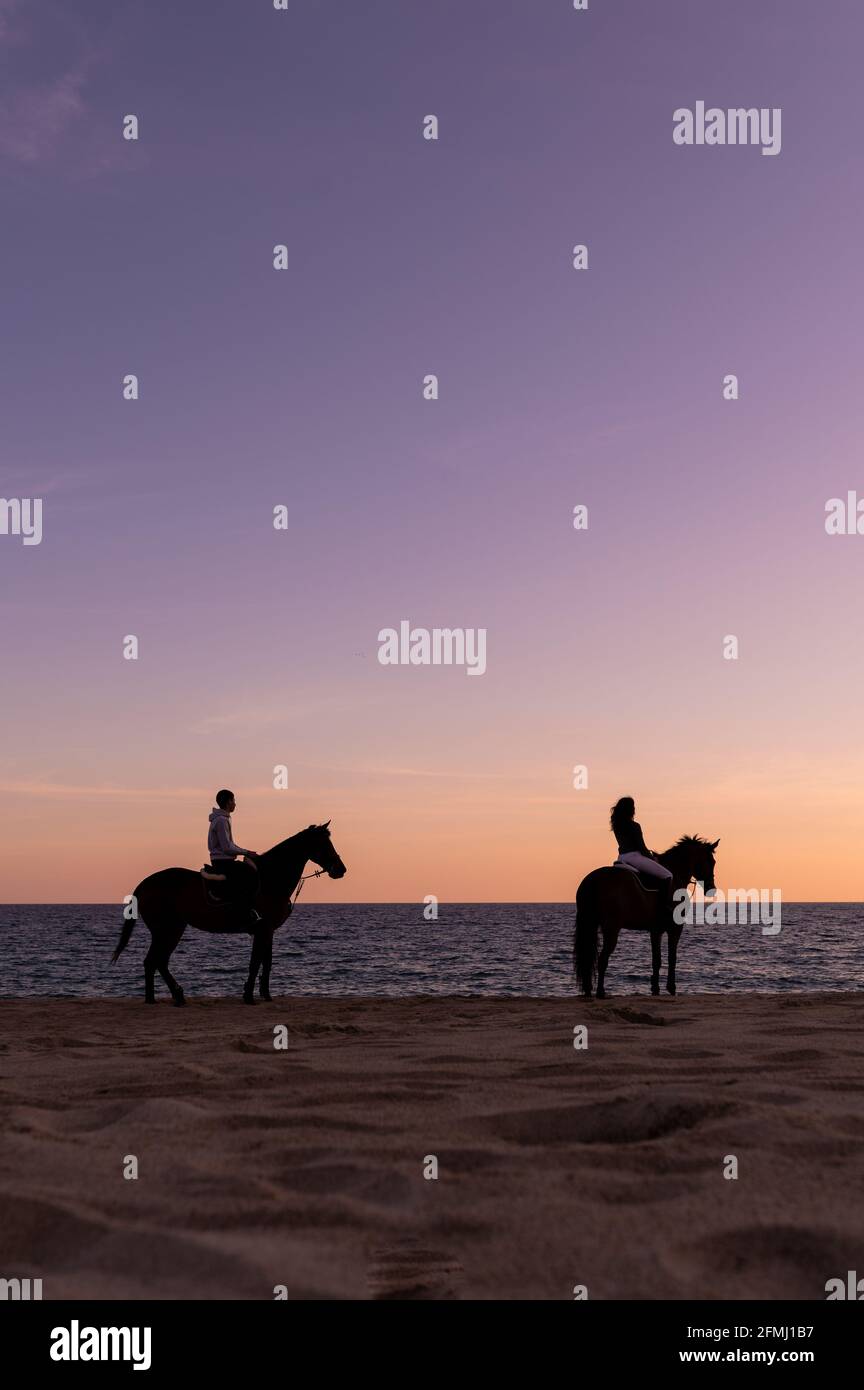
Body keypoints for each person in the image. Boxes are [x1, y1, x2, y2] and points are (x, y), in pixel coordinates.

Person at [610, 796, 674, 919]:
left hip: (621, 858)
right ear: (630, 809)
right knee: (668, 876)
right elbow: (641, 847)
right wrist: (652, 858)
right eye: (633, 807)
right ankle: (664, 908)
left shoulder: (616, 825)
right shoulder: (634, 825)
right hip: (634, 857)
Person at [208, 789, 261, 924]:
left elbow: (229, 845)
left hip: (222, 860)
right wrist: (247, 852)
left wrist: (243, 852)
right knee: (250, 874)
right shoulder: (221, 820)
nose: (235, 804)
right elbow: (227, 848)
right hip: (223, 862)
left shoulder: (222, 819)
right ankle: (245, 912)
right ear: (228, 802)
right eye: (233, 801)